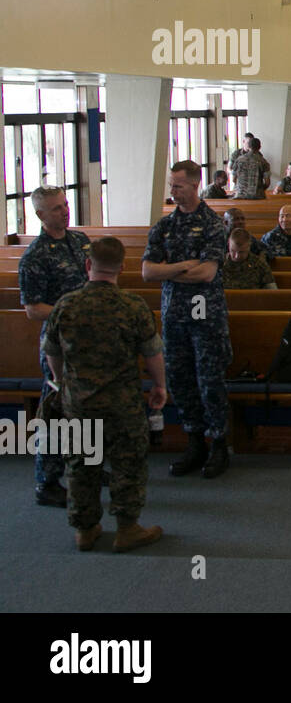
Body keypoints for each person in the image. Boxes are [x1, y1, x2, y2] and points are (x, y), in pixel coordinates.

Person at [43, 237, 168, 552]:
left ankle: (85, 529)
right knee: (128, 464)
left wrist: (59, 380)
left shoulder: (66, 304)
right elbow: (153, 353)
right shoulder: (133, 305)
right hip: (121, 403)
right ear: (123, 267)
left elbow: (52, 351)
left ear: (88, 265)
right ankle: (127, 528)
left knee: (82, 465)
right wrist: (159, 387)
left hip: (79, 402)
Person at [142, 160, 233, 479]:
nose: (172, 190)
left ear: (195, 185)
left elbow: (208, 272)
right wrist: (183, 267)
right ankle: (195, 442)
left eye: (178, 185)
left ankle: (219, 443)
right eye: (171, 184)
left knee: (210, 382)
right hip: (175, 317)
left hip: (207, 318)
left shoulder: (212, 222)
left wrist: (169, 270)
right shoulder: (164, 227)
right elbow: (148, 271)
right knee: (180, 381)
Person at [18, 185, 92, 507]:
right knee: (56, 411)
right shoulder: (35, 256)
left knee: (88, 404)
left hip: (88, 339)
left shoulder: (80, 242)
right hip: (58, 345)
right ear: (40, 215)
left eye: (65, 205)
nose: (65, 211)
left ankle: (87, 465)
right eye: (57, 208)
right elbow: (33, 309)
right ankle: (47, 480)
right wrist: (71, 311)